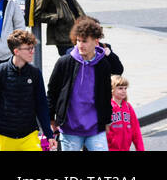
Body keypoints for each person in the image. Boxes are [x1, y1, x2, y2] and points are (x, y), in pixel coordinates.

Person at [48, 16, 124, 152]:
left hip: (95, 128)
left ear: (96, 42)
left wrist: (106, 120)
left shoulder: (103, 64)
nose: (80, 45)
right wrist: (51, 119)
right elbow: (52, 92)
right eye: (78, 41)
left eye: (84, 41)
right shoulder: (64, 62)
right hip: (70, 129)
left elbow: (106, 94)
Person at [0, 29, 51, 151]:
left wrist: (49, 134)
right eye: (29, 48)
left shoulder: (35, 73)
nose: (33, 51)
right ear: (16, 51)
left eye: (33, 48)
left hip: (29, 134)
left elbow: (42, 104)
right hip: (5, 134)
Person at [107, 75, 144, 151]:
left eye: (125, 88)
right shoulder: (107, 107)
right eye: (120, 88)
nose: (124, 91)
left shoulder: (128, 107)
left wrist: (140, 148)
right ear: (112, 89)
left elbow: (136, 131)